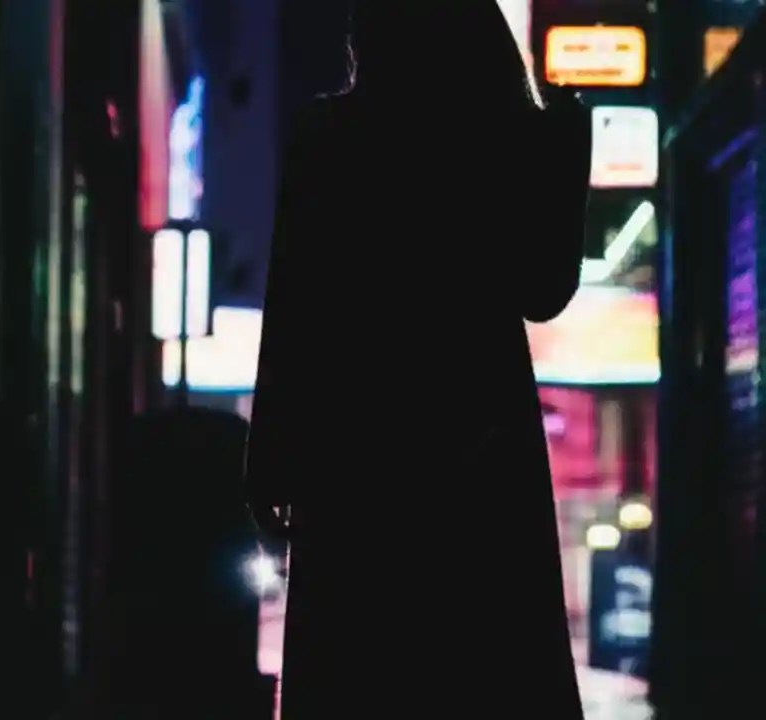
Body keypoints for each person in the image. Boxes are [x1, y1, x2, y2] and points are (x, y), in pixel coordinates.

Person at [245, 1, 592, 716]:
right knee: (482, 666)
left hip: (356, 456)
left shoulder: (328, 135)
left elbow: (294, 310)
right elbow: (545, 287)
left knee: (362, 669)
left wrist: (270, 457)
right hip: (480, 447)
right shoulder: (497, 139)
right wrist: (561, 134)